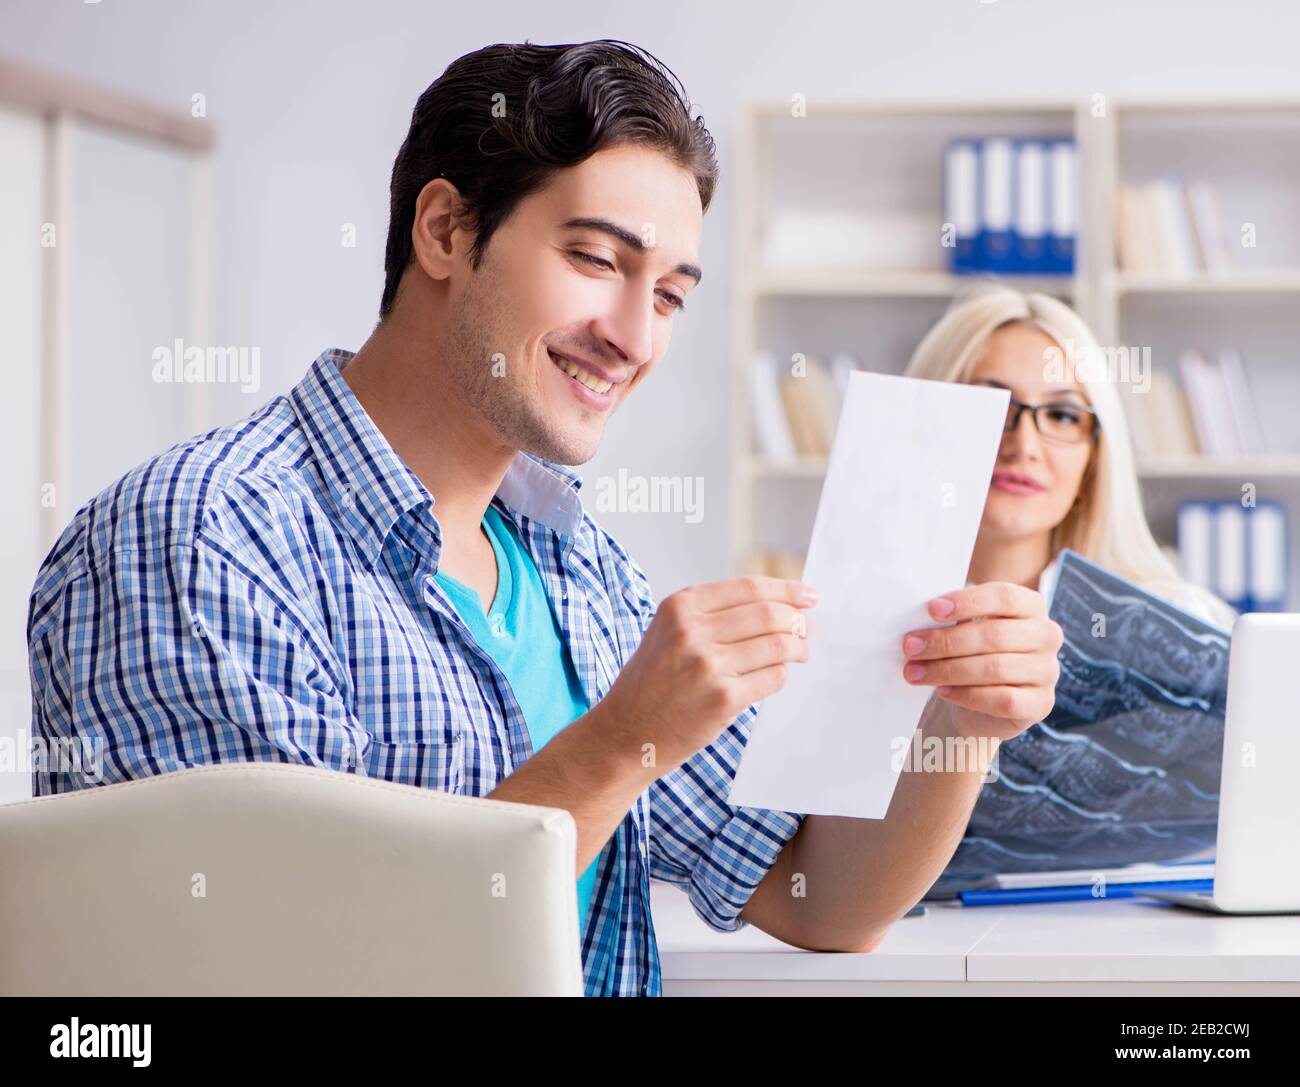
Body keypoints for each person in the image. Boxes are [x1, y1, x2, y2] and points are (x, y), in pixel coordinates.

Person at [26, 40, 1061, 996]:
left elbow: (820, 900)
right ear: (445, 230)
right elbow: (284, 970)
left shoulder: (578, 568)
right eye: (598, 261)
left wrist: (960, 722)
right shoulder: (199, 538)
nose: (633, 337)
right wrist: (623, 740)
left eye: (668, 295)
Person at [904, 285, 1234, 628]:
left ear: (1093, 463)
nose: (1025, 446)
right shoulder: (857, 612)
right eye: (994, 405)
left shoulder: (1176, 624)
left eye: (1062, 416)